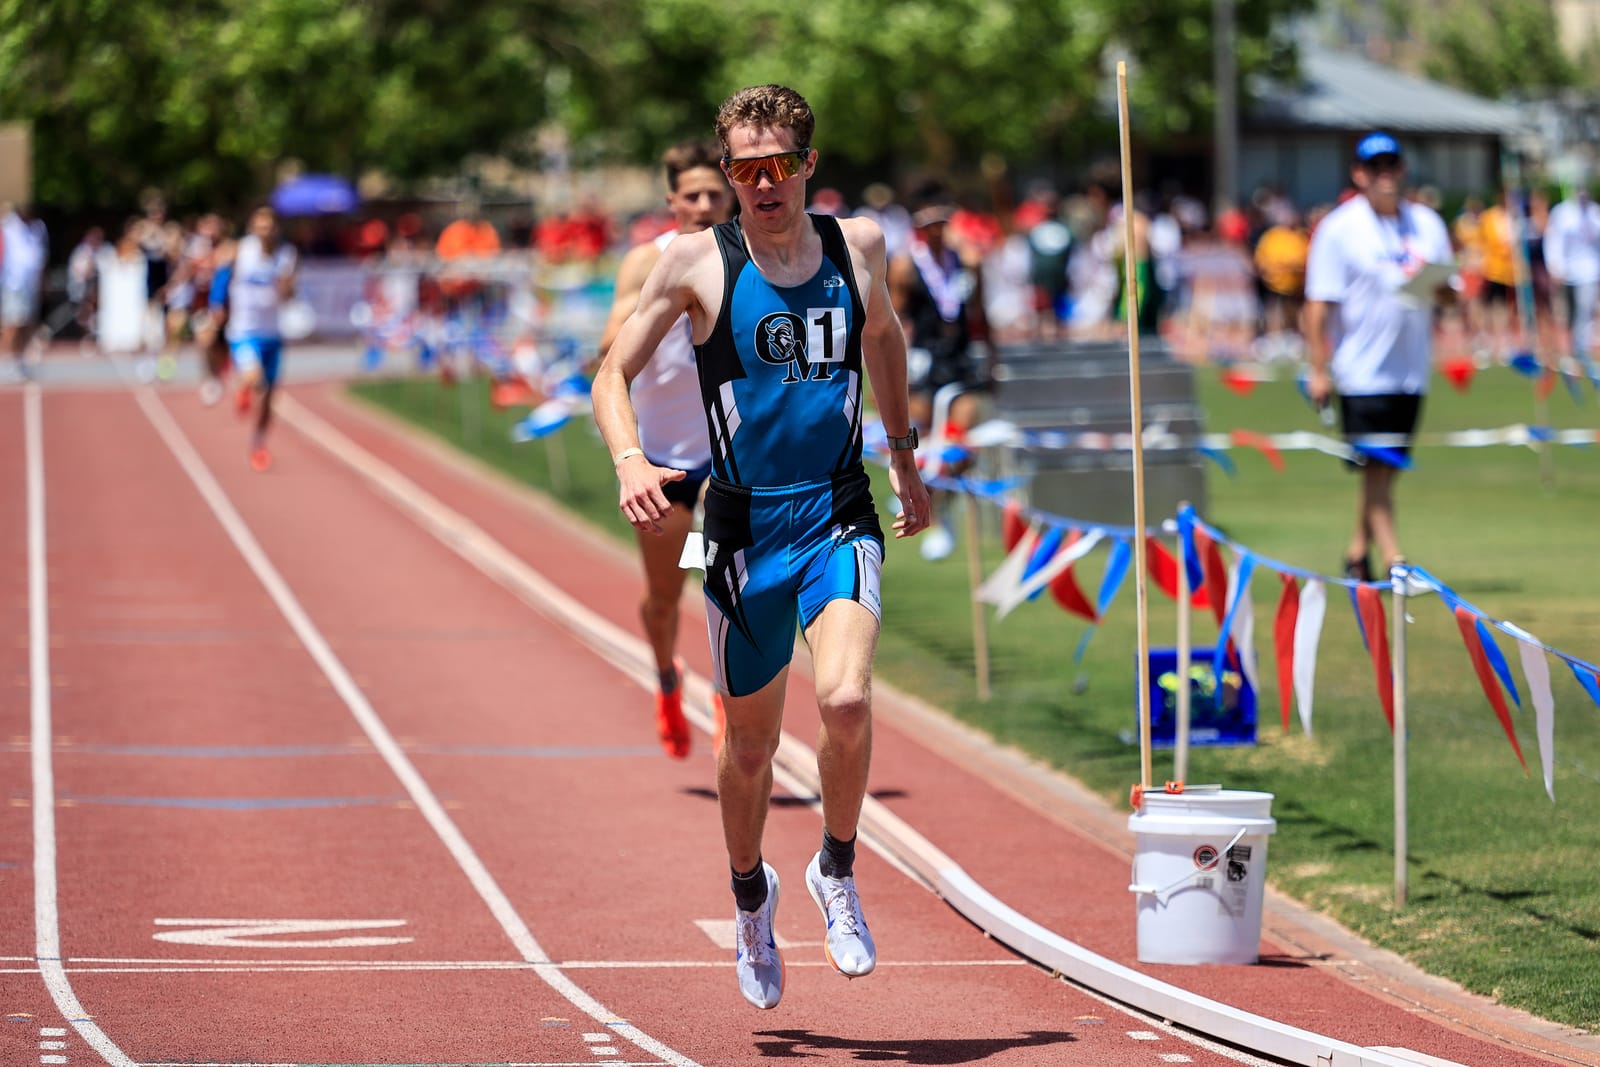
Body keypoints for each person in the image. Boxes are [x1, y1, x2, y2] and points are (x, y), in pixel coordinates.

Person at [591, 84, 930, 1011]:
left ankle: (836, 868)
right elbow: (610, 372)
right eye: (744, 170)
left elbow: (886, 340)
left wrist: (903, 458)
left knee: (849, 699)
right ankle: (752, 896)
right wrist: (631, 459)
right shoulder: (697, 263)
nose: (761, 185)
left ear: (808, 166)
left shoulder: (857, 245)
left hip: (837, 510)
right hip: (741, 531)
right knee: (748, 746)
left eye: (777, 166)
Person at [596, 140, 735, 760]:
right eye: (694, 195)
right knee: (665, 596)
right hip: (664, 462)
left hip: (727, 462)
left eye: (715, 193)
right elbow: (612, 347)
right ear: (673, 201)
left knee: (730, 583)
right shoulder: (645, 263)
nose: (706, 205)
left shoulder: (746, 255)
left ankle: (730, 697)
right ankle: (666, 677)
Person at [1303, 132, 1453, 581]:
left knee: (1385, 471)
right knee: (1378, 466)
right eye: (1375, 168)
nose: (1385, 176)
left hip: (1411, 367)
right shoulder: (1339, 229)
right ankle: (1395, 560)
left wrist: (1437, 284)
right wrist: (1318, 368)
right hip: (1361, 369)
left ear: (1403, 170)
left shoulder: (1427, 223)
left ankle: (1355, 551)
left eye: (1392, 166)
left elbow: (1449, 292)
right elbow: (1317, 304)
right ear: (1359, 174)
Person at [887, 178, 990, 561]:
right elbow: (895, 320)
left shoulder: (967, 261)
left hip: (960, 356)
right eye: (929, 222)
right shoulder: (905, 266)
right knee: (923, 440)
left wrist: (989, 355)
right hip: (924, 359)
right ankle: (926, 506)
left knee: (961, 439)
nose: (937, 229)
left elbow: (981, 312)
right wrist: (898, 363)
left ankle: (941, 505)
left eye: (942, 221)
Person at [226, 206, 298, 472]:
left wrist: (286, 286)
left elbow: (290, 292)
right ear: (253, 228)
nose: (265, 231)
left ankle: (258, 443)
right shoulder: (241, 250)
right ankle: (243, 387)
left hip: (273, 333)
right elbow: (222, 278)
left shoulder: (286, 255)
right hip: (244, 330)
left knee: (268, 397)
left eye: (270, 226)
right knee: (253, 377)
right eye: (260, 226)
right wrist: (216, 308)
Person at [1542, 188, 1600, 377]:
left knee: (1584, 311)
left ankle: (1581, 351)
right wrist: (1555, 266)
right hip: (1566, 273)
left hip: (1589, 272)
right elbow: (1553, 240)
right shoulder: (1562, 212)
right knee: (1567, 315)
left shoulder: (1594, 212)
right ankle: (1568, 352)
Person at [1, 202, 49, 375]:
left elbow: (41, 258)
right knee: (12, 324)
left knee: (27, 324)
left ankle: (19, 360)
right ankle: (6, 361)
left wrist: (42, 284)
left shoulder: (38, 227)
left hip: (31, 284)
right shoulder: (8, 224)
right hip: (13, 283)